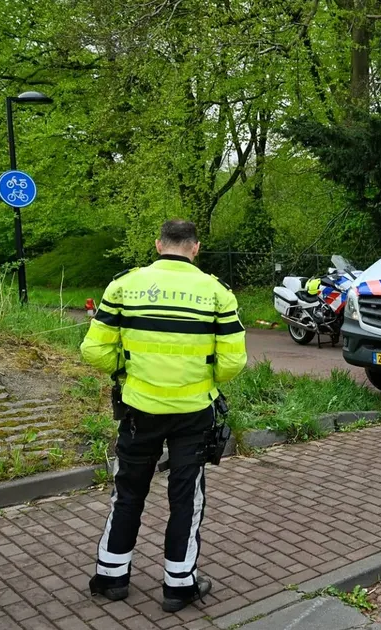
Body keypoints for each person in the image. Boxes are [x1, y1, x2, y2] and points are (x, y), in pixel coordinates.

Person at [80, 219, 247, 612]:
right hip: (193, 413)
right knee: (186, 499)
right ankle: (178, 586)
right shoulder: (217, 292)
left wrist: (128, 368)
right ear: (195, 248)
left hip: (139, 409)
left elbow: (94, 350)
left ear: (159, 245)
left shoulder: (122, 286)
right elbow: (233, 362)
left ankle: (111, 577)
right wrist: (202, 377)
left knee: (128, 492)